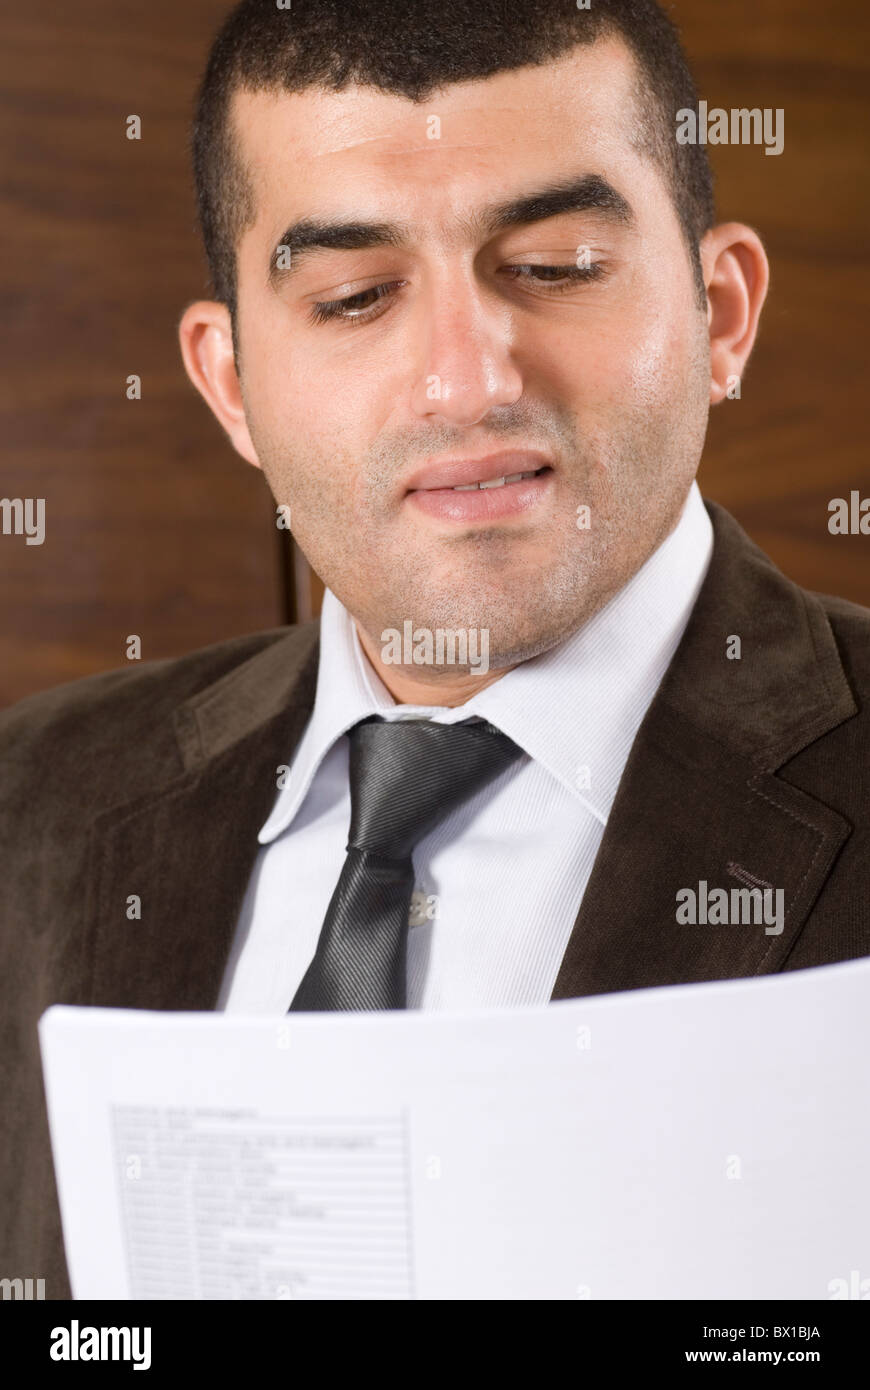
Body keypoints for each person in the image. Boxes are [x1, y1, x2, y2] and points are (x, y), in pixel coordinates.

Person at [2, 0, 867, 1298]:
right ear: (230, 383)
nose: (463, 380)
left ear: (720, 310)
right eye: (354, 297)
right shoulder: (30, 801)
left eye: (558, 263)